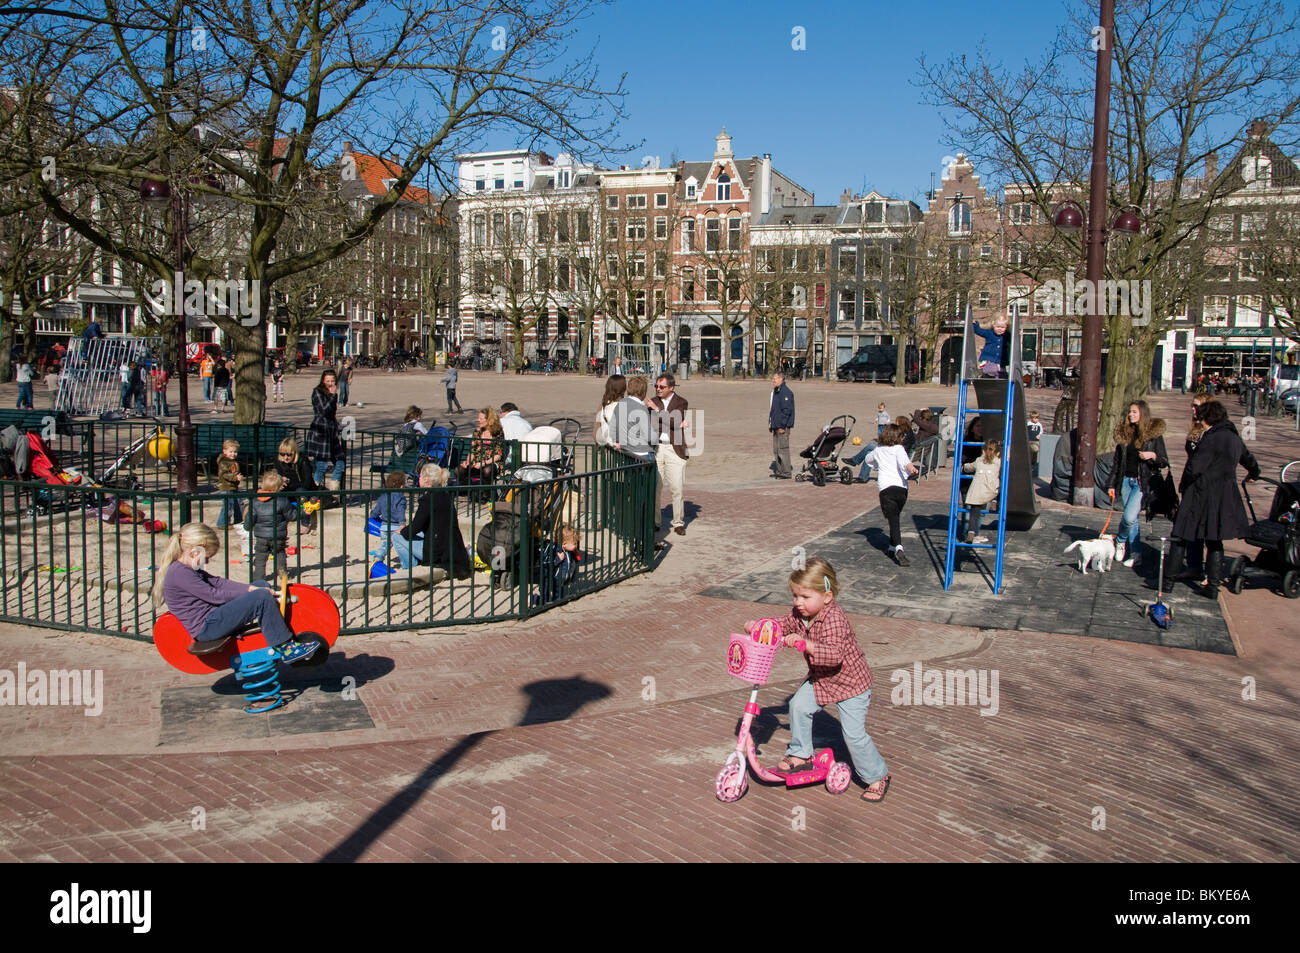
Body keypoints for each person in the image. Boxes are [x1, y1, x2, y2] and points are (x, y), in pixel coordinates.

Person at [749, 557, 890, 803]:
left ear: (827, 597)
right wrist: (761, 626)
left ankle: (877, 776)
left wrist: (807, 644)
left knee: (853, 735)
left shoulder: (835, 617)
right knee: (798, 705)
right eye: (795, 596)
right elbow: (783, 624)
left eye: (805, 597)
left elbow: (834, 654)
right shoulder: (800, 614)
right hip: (822, 679)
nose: (798, 602)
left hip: (851, 684)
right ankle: (801, 754)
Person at [152, 522, 318, 661]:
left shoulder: (188, 568)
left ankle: (274, 626)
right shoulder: (180, 573)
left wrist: (250, 588)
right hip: (207, 628)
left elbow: (219, 583)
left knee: (261, 586)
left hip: (213, 619)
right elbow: (214, 595)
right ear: (195, 551)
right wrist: (252, 593)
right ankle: (286, 647)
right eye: (207, 556)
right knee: (260, 597)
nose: (207, 561)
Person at [1168, 400, 1260, 598]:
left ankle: (1168, 581)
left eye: (1201, 418)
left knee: (1181, 534)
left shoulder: (1211, 438)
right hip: (1225, 494)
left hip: (1202, 492)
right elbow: (1248, 459)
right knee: (1214, 539)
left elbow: (1195, 467)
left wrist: (1184, 486)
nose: (1199, 422)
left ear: (1208, 419)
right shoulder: (1234, 437)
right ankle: (1212, 586)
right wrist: (1254, 473)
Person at [1106, 400, 1169, 569]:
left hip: (1142, 482)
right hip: (1126, 481)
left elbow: (1164, 461)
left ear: (1142, 413)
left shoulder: (1153, 435)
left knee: (1129, 517)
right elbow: (1117, 462)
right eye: (1129, 412)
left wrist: (1152, 456)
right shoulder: (1125, 434)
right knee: (1132, 520)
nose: (1130, 415)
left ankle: (1120, 539)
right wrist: (1111, 484)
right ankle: (1136, 554)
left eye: (1134, 412)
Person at [393, 463, 471, 577]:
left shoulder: (427, 499)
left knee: (396, 537)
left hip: (437, 553)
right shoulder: (446, 496)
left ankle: (410, 568)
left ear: (426, 479)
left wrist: (402, 531)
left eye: (420, 476)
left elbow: (415, 527)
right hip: (452, 549)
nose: (419, 479)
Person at [860, 425, 919, 565]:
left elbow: (867, 460)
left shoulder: (878, 450)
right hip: (901, 490)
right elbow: (906, 462)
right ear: (898, 437)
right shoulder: (899, 449)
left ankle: (899, 548)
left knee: (894, 520)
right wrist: (912, 468)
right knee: (894, 518)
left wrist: (876, 463)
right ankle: (892, 548)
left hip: (886, 490)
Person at [648, 372, 689, 536]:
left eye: (662, 387)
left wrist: (658, 412)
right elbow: (653, 423)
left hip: (674, 449)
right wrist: (668, 420)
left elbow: (675, 422)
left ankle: (678, 522)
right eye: (656, 386)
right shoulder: (653, 401)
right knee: (655, 488)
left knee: (677, 488)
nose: (658, 389)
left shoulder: (681, 402)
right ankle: (655, 521)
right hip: (656, 448)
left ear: (671, 388)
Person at [1175, 392, 1211, 583]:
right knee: (1191, 525)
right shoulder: (1195, 429)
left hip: (1207, 485)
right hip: (1191, 483)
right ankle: (1194, 565)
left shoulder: (1212, 432)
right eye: (1192, 405)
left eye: (1196, 406)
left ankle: (1210, 572)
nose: (1192, 409)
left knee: (1207, 527)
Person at [244, 470, 294, 581]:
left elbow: (250, 518)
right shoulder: (282, 500)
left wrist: (247, 526)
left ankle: (258, 577)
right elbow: (291, 516)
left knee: (260, 556)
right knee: (279, 553)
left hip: (261, 536)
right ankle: (282, 572)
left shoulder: (255, 501)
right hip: (278, 535)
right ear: (278, 488)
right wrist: (304, 513)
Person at [307, 369, 346, 491]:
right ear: (323, 381)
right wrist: (332, 395)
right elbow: (323, 410)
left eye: (332, 381)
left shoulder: (333, 393)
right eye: (328, 381)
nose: (330, 383)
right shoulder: (317, 391)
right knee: (321, 466)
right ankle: (315, 491)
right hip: (321, 431)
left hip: (331, 432)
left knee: (340, 461)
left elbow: (332, 413)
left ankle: (334, 486)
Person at [961, 439, 1002, 544]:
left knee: (975, 512)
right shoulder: (998, 461)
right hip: (991, 491)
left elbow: (968, 468)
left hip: (977, 491)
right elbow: (1007, 457)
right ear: (998, 453)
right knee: (1000, 485)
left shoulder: (979, 460)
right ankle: (995, 501)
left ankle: (971, 532)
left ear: (983, 451)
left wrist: (964, 466)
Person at [456, 407, 504, 486]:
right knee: (459, 470)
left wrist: (483, 463)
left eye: (481, 418)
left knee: (487, 470)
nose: (478, 420)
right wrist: (468, 461)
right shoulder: (477, 432)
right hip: (476, 462)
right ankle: (466, 490)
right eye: (478, 418)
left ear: (489, 420)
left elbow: (498, 455)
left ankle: (485, 491)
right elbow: (472, 451)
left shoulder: (497, 433)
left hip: (491, 462)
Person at [369, 470, 409, 563]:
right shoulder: (400, 498)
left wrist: (372, 515)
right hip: (396, 527)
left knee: (385, 543)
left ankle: (379, 554)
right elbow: (401, 512)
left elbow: (375, 513)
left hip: (384, 526)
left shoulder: (383, 497)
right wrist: (402, 523)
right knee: (392, 544)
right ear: (401, 486)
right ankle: (378, 557)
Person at [215, 438, 245, 531]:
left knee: (238, 503)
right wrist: (235, 477)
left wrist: (237, 477)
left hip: (233, 486)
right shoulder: (224, 462)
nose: (233, 454)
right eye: (231, 452)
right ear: (224, 451)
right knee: (228, 505)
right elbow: (224, 474)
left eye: (235, 452)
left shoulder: (233, 461)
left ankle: (239, 520)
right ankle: (223, 523)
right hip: (226, 487)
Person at [768, 372, 795, 479]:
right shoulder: (776, 391)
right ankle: (779, 470)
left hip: (782, 427)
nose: (773, 381)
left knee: (783, 449)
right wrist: (770, 423)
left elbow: (787, 411)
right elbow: (773, 409)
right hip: (775, 425)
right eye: (773, 379)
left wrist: (783, 426)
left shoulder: (786, 392)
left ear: (781, 379)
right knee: (776, 450)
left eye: (774, 379)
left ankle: (786, 472)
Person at [594, 374, 626, 447]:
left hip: (605, 445)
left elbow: (596, 430)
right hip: (618, 447)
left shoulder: (603, 404)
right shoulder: (623, 406)